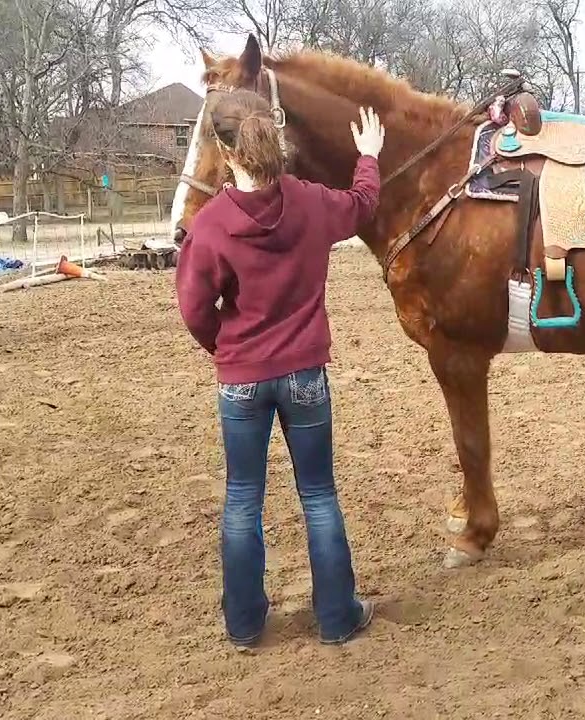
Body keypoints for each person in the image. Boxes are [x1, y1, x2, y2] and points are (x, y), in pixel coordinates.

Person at [175, 87, 385, 649]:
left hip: (241, 380)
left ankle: (245, 625)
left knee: (243, 496)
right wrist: (368, 155)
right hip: (305, 376)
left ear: (225, 151)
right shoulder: (312, 201)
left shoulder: (213, 226)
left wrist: (228, 349)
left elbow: (194, 308)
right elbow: (362, 204)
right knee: (319, 494)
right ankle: (337, 617)